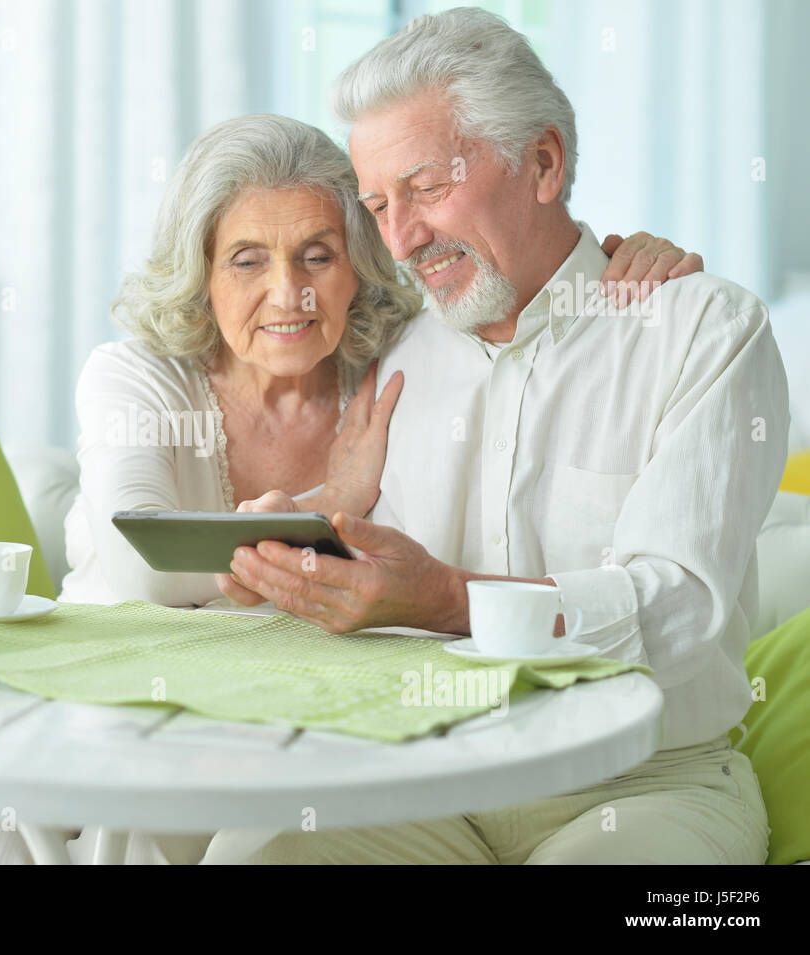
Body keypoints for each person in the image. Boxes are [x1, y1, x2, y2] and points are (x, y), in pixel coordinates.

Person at [218, 7, 788, 864]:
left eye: (426, 188)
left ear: (544, 163)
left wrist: (451, 597)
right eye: (377, 204)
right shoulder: (402, 351)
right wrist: (298, 550)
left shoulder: (704, 330)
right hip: (433, 781)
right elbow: (383, 575)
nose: (402, 238)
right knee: (251, 854)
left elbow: (679, 605)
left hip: (646, 781)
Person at [59, 112, 700, 611]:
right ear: (200, 274)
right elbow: (143, 565)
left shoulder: (396, 367)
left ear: (361, 267)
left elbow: (516, 304)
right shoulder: (133, 378)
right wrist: (333, 500)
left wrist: (615, 263)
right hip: (112, 700)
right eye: (247, 260)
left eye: (318, 255)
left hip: (287, 720)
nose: (290, 294)